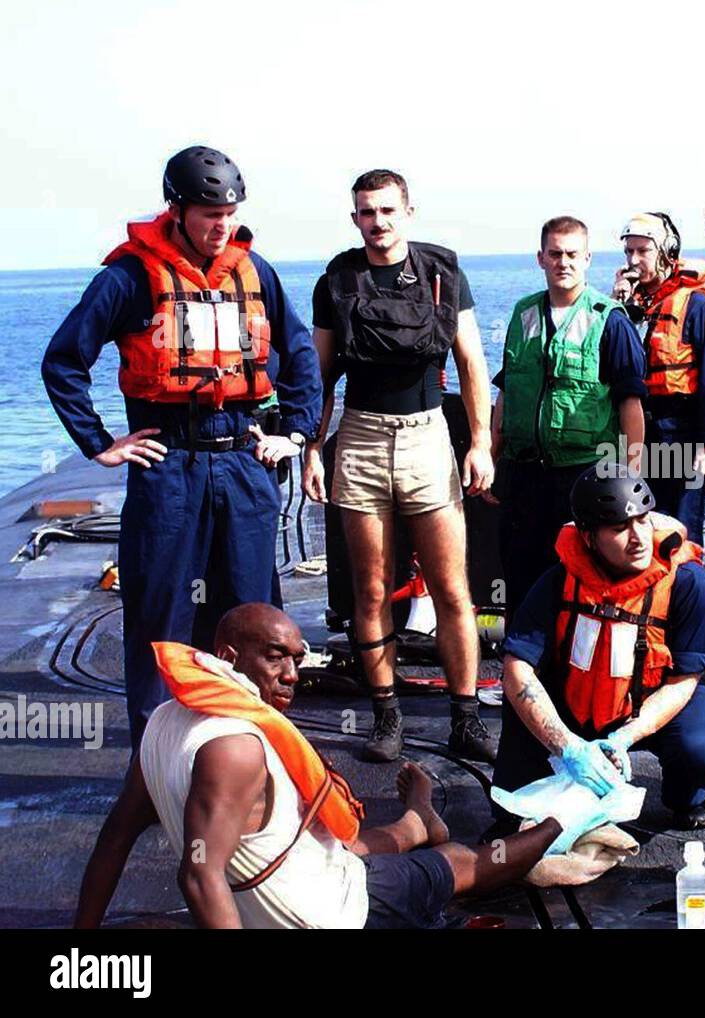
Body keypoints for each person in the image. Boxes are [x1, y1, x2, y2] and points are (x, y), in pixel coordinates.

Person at [73, 604, 611, 929]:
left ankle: (416, 820)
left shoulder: (166, 719)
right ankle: (562, 818)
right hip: (336, 913)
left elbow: (115, 836)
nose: (291, 674)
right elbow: (198, 874)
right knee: (459, 861)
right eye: (274, 656)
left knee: (347, 847)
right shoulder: (235, 748)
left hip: (316, 871)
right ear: (230, 656)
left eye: (296, 659)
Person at [41, 145, 321, 751]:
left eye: (229, 213)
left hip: (244, 461)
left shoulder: (257, 272)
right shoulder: (128, 278)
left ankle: (254, 754)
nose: (221, 226)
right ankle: (158, 762)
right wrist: (100, 444)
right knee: (160, 612)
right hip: (169, 465)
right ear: (177, 210)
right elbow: (64, 360)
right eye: (207, 214)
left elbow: (300, 356)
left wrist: (293, 433)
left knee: (252, 614)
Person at [302, 169, 495, 764]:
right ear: (355, 217)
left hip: (427, 437)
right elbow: (320, 376)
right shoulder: (336, 279)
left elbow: (471, 363)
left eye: (387, 211)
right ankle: (385, 716)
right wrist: (313, 447)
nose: (377, 222)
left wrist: (481, 440)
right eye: (366, 212)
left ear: (407, 211)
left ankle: (465, 718)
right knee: (371, 590)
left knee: (451, 589)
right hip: (358, 439)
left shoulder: (442, 272)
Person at [491, 469, 705, 831]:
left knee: (701, 747)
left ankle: (687, 793)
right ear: (588, 537)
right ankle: (538, 788)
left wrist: (624, 738)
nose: (638, 538)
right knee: (512, 816)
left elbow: (685, 680)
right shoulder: (558, 580)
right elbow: (517, 668)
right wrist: (566, 745)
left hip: (656, 698)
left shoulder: (691, 584)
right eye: (619, 528)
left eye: (642, 521)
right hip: (578, 703)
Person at [490, 215, 648, 621]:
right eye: (555, 254)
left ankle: (577, 677)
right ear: (540, 257)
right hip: (524, 475)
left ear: (588, 258)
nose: (564, 262)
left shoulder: (609, 320)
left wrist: (628, 475)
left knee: (580, 583)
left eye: (573, 254)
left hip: (583, 475)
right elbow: (507, 392)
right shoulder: (523, 316)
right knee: (521, 577)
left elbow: (631, 405)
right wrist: (492, 456)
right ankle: (523, 671)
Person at [614, 213, 705, 543]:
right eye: (629, 252)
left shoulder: (697, 304)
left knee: (679, 525)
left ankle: (686, 591)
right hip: (635, 430)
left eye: (642, 252)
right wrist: (616, 304)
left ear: (667, 252)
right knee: (637, 520)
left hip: (679, 430)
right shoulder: (628, 306)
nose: (634, 261)